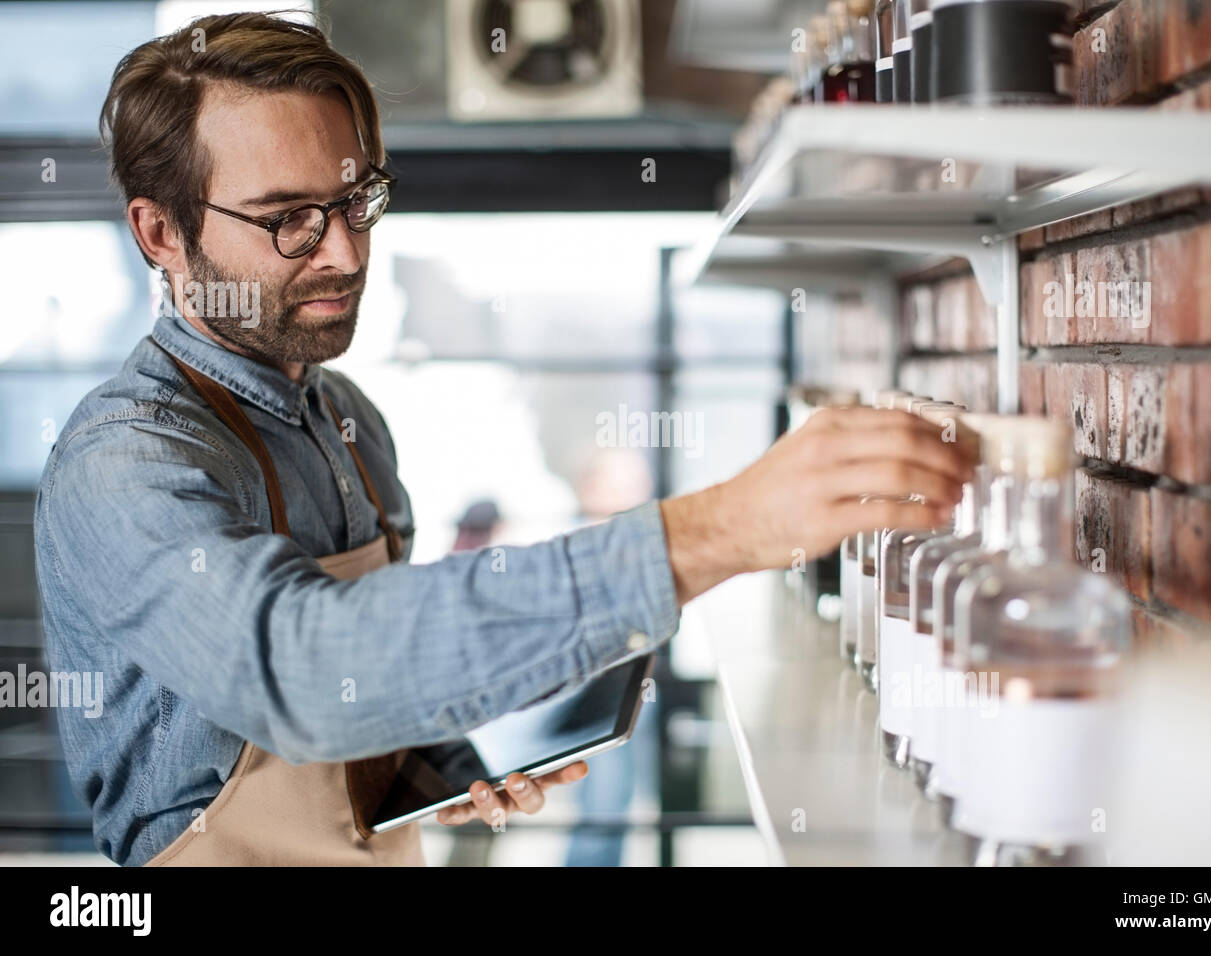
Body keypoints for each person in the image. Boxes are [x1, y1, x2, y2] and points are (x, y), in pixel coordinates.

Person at [32, 12, 975, 867]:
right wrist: (718, 530)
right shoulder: (125, 461)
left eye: (358, 202)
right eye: (289, 220)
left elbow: (373, 693)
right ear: (160, 233)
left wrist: (440, 767)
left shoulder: (349, 421)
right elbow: (306, 671)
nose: (347, 253)